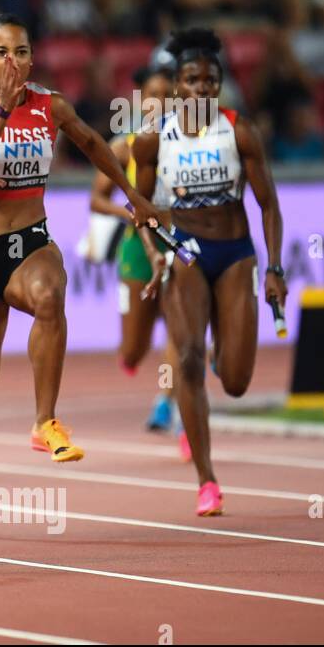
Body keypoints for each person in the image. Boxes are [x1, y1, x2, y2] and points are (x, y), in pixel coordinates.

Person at [0, 13, 156, 526]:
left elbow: (91, 144)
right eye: (1, 52)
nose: (11, 62)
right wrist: (2, 112)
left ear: (32, 58)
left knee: (49, 295)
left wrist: (133, 197)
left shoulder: (51, 106)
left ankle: (45, 420)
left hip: (30, 242)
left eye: (20, 52)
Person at [132, 28, 285, 516]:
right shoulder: (153, 140)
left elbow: (269, 205)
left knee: (236, 381)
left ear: (220, 85)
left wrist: (275, 267)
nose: (201, 88)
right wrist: (157, 254)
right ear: (176, 86)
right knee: (189, 359)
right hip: (188, 253)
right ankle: (207, 480)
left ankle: (226, 354)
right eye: (191, 79)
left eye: (210, 80)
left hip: (236, 253)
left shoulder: (238, 130)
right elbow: (144, 209)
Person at [88, 65, 189, 457]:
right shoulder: (125, 146)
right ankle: (133, 356)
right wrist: (126, 214)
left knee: (182, 335)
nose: (159, 102)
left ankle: (175, 410)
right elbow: (97, 199)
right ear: (140, 101)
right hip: (137, 248)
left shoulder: (187, 144)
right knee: (134, 348)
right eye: (153, 95)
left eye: (167, 95)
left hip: (177, 244)